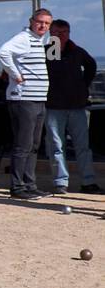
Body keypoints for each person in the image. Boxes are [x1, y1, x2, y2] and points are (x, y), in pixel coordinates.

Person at [0, 9, 52, 200]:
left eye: (47, 23)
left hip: (38, 99)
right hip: (23, 99)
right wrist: (15, 74)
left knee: (34, 145)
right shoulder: (24, 38)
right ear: (31, 21)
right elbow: (2, 53)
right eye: (40, 22)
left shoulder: (39, 40)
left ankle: (30, 184)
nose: (43, 26)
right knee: (23, 145)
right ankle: (17, 187)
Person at [45, 18, 99, 194]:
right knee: (56, 146)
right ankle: (61, 181)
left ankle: (88, 181)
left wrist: (83, 86)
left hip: (77, 106)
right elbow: (50, 70)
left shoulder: (76, 51)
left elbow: (91, 65)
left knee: (82, 146)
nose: (60, 36)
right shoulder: (48, 51)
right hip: (54, 106)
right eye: (56, 33)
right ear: (50, 34)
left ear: (69, 33)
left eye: (64, 32)